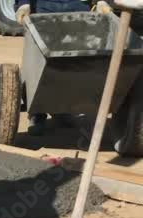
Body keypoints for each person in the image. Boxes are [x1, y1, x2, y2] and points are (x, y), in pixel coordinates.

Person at [16, 0, 109, 135]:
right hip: (44, 6)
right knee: (40, 62)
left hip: (77, 6)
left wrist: (101, 1)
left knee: (72, 62)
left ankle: (61, 110)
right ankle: (37, 114)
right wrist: (23, 4)